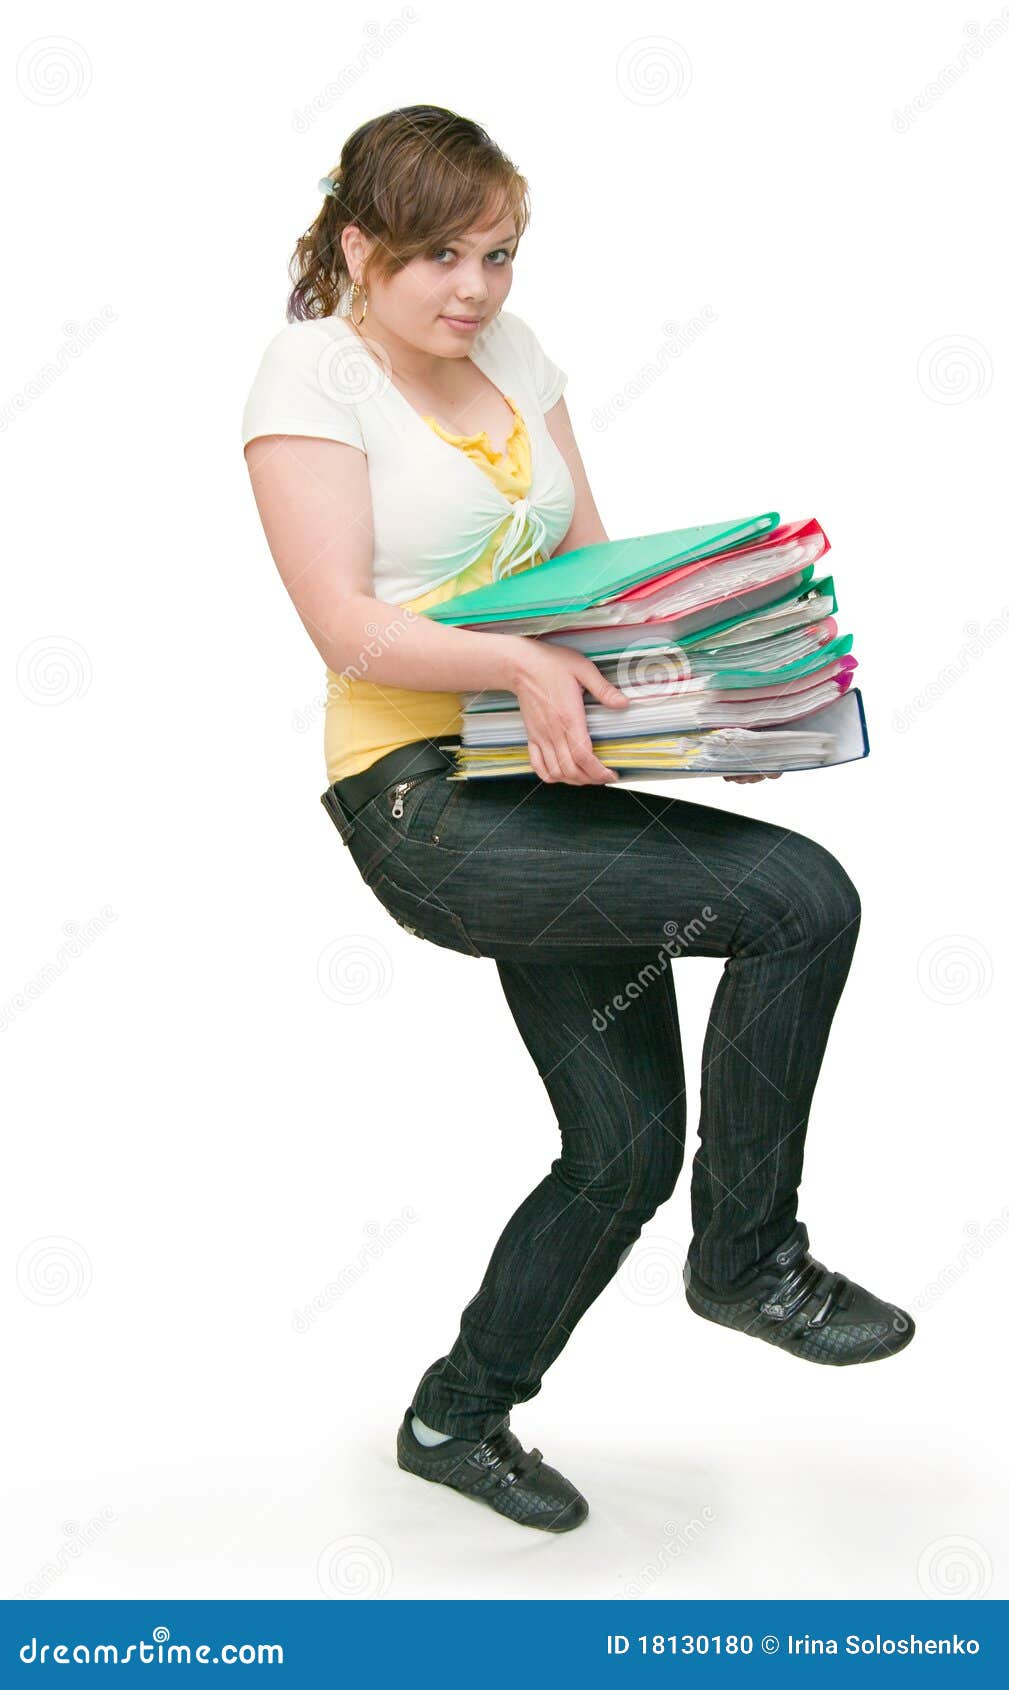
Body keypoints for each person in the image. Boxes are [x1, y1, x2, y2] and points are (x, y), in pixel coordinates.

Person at [241, 104, 914, 1536]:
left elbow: (592, 577)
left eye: (496, 254)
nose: (472, 288)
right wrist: (513, 664)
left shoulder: (516, 356)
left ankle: (454, 1412)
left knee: (619, 1147)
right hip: (423, 805)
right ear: (359, 245)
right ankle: (748, 1259)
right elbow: (346, 627)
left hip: (541, 778)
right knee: (804, 900)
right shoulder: (312, 371)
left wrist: (720, 698)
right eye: (436, 256)